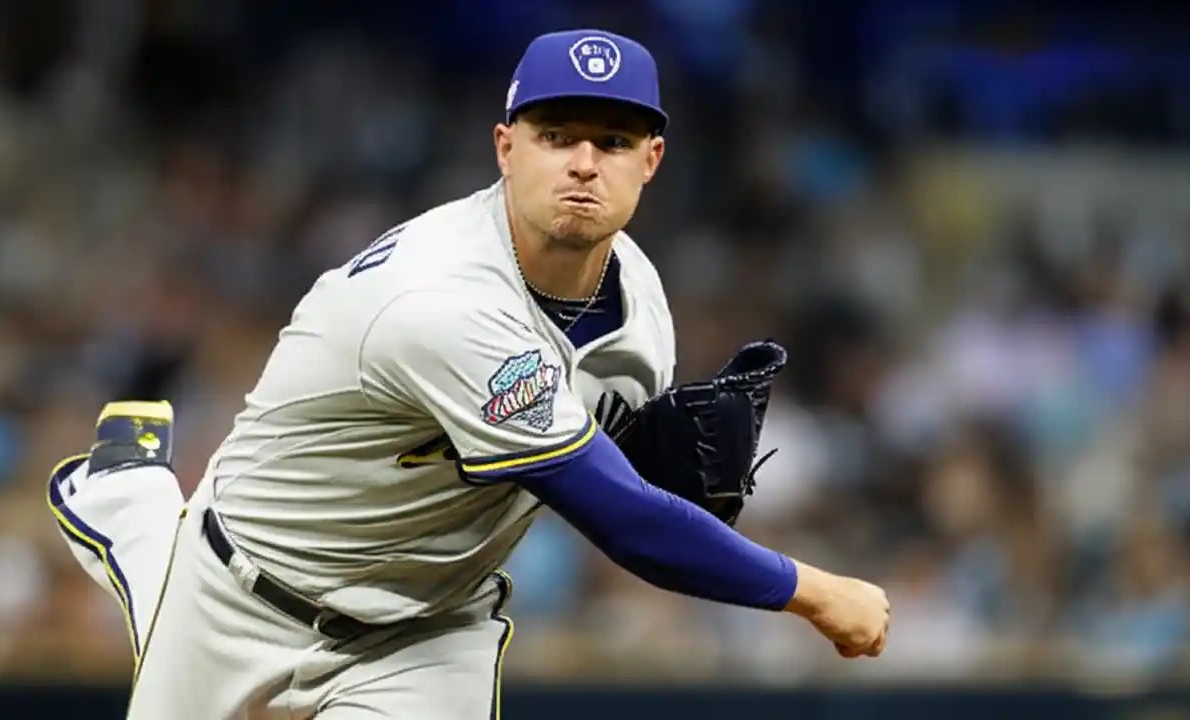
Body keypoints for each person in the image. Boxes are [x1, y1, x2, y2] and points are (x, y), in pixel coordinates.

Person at [46, 28, 890, 720]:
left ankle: (131, 499)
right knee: (173, 550)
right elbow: (627, 524)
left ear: (653, 160)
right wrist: (812, 591)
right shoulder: (442, 297)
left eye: (614, 141)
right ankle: (130, 498)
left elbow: (622, 488)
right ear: (505, 147)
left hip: (427, 629)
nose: (584, 162)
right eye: (557, 136)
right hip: (242, 594)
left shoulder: (642, 308)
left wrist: (658, 488)